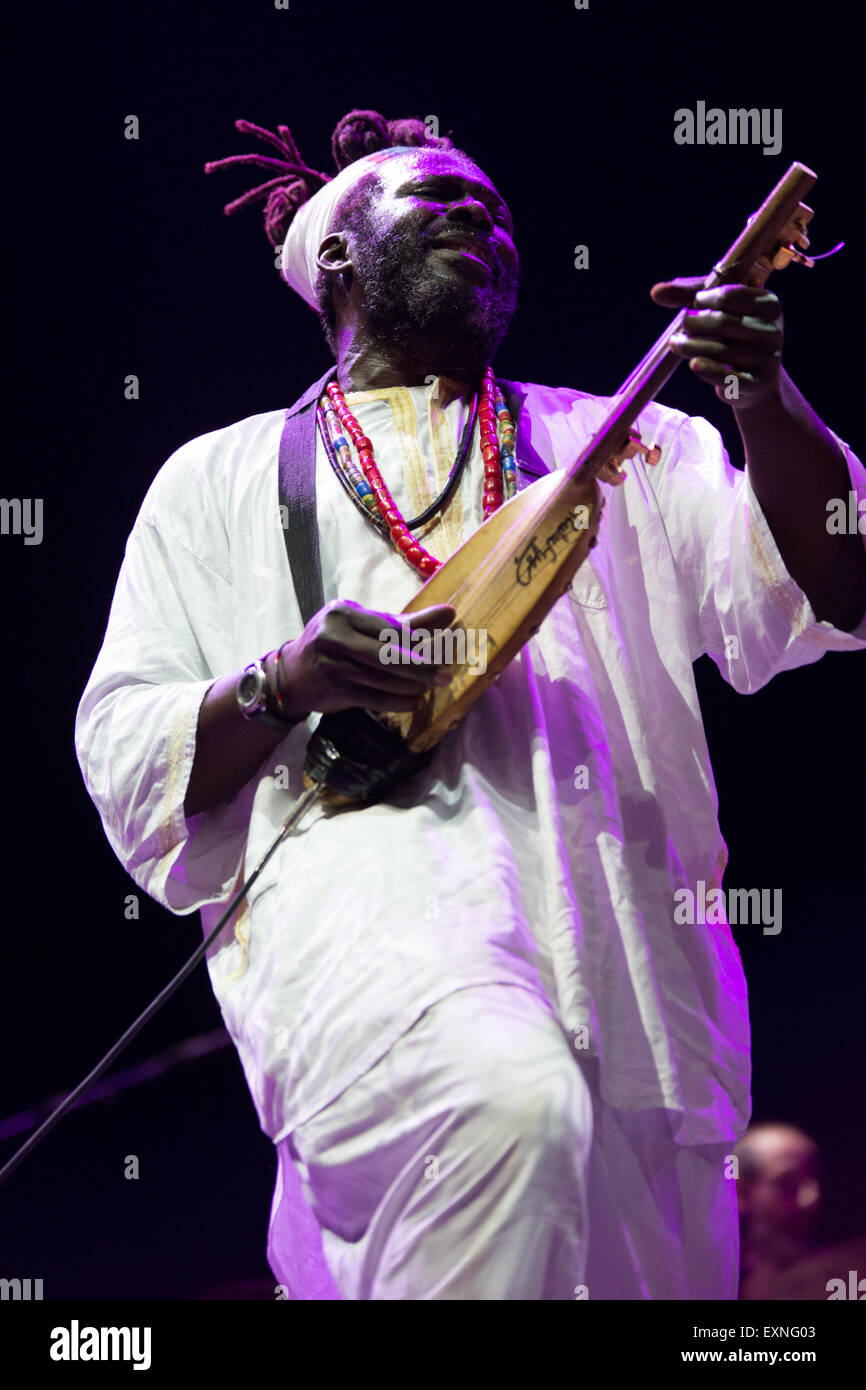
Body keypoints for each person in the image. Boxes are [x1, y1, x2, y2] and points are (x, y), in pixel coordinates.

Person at [75, 109, 866, 1300]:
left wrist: (758, 389)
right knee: (506, 1100)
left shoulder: (624, 442)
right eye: (433, 196)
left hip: (628, 962)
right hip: (355, 924)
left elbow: (836, 585)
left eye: (494, 209)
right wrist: (280, 679)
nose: (476, 218)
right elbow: (129, 746)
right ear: (335, 252)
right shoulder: (218, 480)